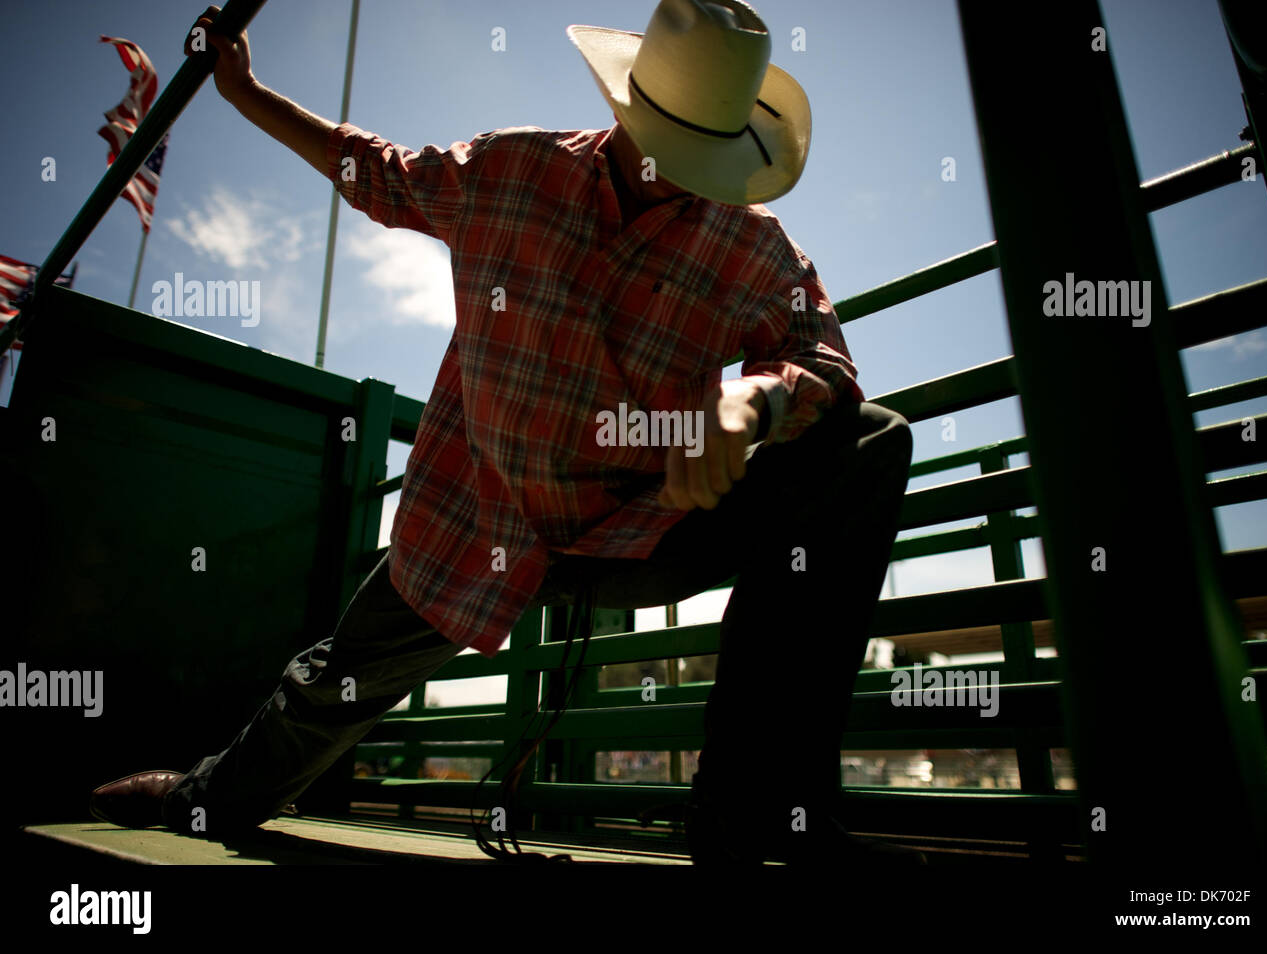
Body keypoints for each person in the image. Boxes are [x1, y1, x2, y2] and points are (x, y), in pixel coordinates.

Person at [89, 0, 922, 866]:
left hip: (639, 527)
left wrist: (754, 405)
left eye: (706, 157)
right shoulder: (512, 168)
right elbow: (374, 169)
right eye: (670, 149)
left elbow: (824, 364)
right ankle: (206, 797)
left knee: (868, 442)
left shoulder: (754, 247)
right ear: (624, 108)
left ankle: (756, 811)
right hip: (477, 519)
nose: (685, 177)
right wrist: (245, 93)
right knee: (331, 684)